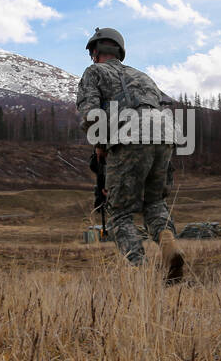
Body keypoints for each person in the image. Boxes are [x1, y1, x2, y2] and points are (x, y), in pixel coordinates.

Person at [75, 27, 185, 282]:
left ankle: (140, 271)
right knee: (154, 203)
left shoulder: (94, 72)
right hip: (165, 133)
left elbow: (91, 114)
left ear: (94, 52)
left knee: (120, 212)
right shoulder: (143, 76)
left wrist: (100, 144)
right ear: (119, 51)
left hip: (129, 135)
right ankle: (168, 244)